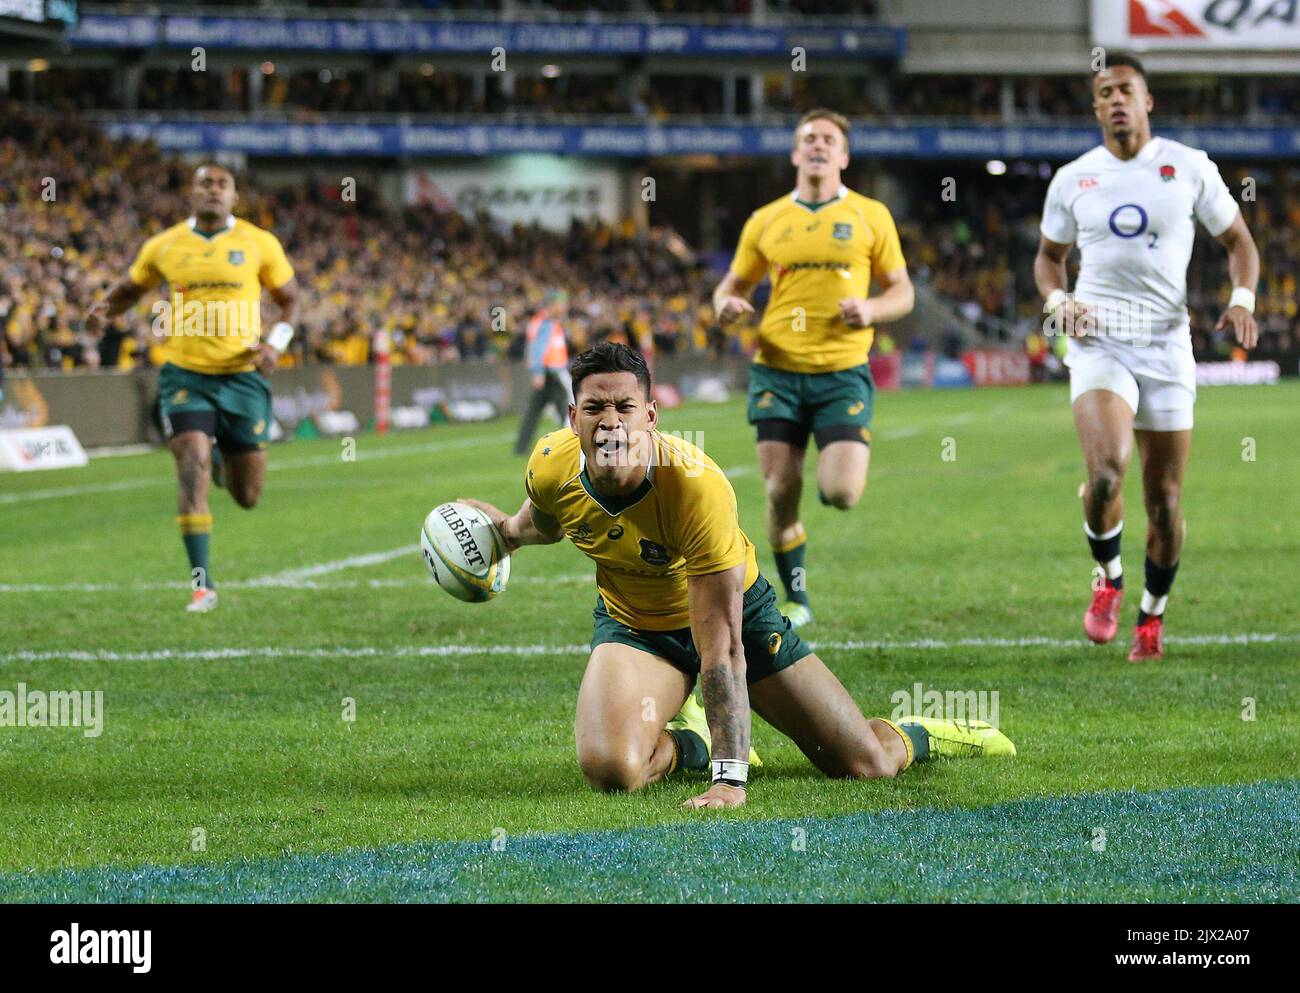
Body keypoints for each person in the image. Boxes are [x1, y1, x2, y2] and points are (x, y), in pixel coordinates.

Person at [465, 342, 1013, 811]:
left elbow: (723, 649)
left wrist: (729, 779)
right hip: (635, 628)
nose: (610, 422)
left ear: (650, 416)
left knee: (865, 765)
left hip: (736, 622)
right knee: (612, 770)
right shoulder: (549, 463)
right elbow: (539, 523)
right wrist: (494, 538)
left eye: (624, 407)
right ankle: (691, 743)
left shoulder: (695, 488)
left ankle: (929, 732)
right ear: (571, 417)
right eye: (595, 408)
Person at [1033, 54, 1259, 661]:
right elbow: (1047, 257)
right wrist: (1058, 299)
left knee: (1164, 503)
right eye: (1104, 92)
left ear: (1147, 100)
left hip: (1166, 344)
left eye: (1125, 90)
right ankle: (1108, 578)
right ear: (1096, 107)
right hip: (1099, 339)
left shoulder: (1188, 167)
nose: (1115, 100)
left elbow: (1239, 242)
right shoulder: (1075, 177)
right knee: (1106, 472)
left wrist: (1242, 299)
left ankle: (1151, 617)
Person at [712, 108, 915, 630]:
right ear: (796, 153)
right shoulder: (766, 220)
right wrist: (726, 306)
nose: (819, 146)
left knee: (842, 493)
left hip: (842, 370)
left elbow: (903, 291)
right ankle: (795, 597)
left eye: (829, 139)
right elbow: (730, 286)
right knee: (780, 489)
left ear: (843, 155)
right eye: (809, 139)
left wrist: (871, 309)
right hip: (777, 371)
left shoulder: (872, 215)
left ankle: (826, 485)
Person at [84, 164, 301, 612]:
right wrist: (103, 310)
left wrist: (276, 344)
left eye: (222, 184)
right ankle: (202, 584)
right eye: (205, 183)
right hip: (185, 375)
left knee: (247, 497)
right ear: (192, 193)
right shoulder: (163, 245)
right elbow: (130, 288)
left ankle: (222, 455)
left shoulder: (259, 243)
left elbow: (291, 301)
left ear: (234, 197)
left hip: (242, 377)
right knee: (191, 459)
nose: (213, 190)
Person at [512, 289, 572, 456]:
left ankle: (521, 448)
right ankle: (569, 445)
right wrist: (537, 372)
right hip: (552, 373)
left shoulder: (543, 321)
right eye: (562, 303)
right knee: (569, 407)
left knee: (533, 410)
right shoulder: (546, 323)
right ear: (552, 304)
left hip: (548, 372)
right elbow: (537, 349)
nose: (565, 307)